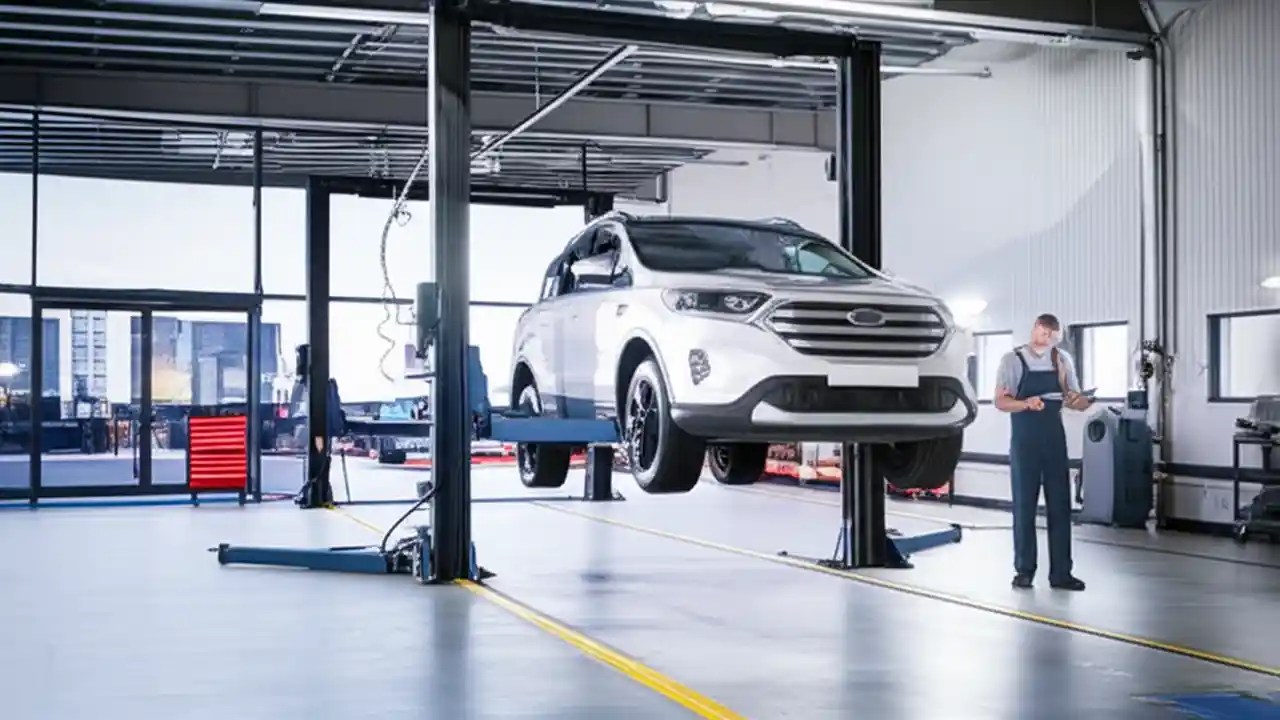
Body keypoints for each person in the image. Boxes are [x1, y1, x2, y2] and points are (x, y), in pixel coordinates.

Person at [993, 313, 1093, 591]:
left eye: (1054, 337)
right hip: (1025, 439)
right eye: (1045, 334)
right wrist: (1026, 403)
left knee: (1061, 505)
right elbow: (1001, 401)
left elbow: (1073, 398)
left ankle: (1061, 573)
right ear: (1036, 329)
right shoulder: (1012, 360)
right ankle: (1024, 570)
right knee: (1024, 505)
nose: (1048, 340)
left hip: (1054, 438)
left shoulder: (1061, 360)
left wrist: (1081, 401)